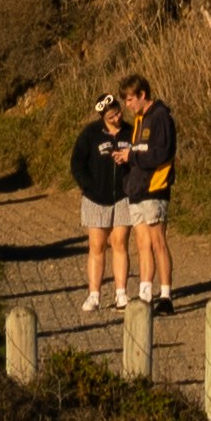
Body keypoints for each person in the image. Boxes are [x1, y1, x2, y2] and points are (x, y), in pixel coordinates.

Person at [112, 74, 181, 313]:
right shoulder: (140, 120)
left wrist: (132, 156)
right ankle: (145, 292)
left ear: (142, 95)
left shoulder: (161, 117)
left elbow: (160, 154)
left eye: (130, 99)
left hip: (155, 187)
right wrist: (127, 159)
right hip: (138, 188)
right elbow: (139, 152)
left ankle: (166, 295)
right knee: (142, 243)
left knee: (158, 241)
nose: (127, 106)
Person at [70, 91, 135, 319]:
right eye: (111, 116)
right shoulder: (90, 134)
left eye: (118, 113)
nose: (117, 118)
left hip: (123, 196)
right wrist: (89, 187)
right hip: (96, 199)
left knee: (120, 243)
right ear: (102, 117)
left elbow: (138, 158)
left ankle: (121, 293)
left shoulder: (130, 131)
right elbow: (77, 163)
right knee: (97, 246)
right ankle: (94, 294)